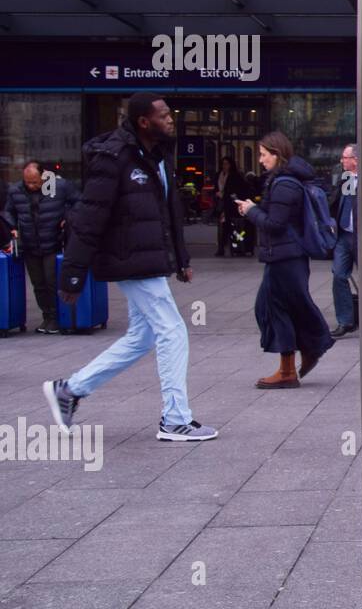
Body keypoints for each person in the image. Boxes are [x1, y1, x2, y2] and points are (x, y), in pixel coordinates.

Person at [42, 93, 217, 442]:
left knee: (143, 336)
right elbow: (89, 216)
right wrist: (73, 274)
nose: (171, 120)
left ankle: (70, 390)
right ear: (143, 121)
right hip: (128, 259)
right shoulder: (114, 157)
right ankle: (174, 419)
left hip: (148, 259)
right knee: (172, 330)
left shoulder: (157, 155)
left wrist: (180, 260)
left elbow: (169, 212)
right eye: (164, 115)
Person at [236, 131, 335, 388]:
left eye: (263, 154)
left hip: (286, 256)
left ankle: (296, 362)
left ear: (276, 154)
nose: (260, 160)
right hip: (284, 256)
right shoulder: (283, 181)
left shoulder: (285, 184)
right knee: (280, 308)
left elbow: (275, 224)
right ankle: (297, 359)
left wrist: (251, 211)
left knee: (279, 309)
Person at [3, 160, 79, 334]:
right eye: (27, 182)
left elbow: (79, 202)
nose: (31, 186)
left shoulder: (59, 186)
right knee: (38, 284)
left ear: (43, 177)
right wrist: (13, 227)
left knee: (52, 281)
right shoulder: (16, 190)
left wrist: (68, 218)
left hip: (53, 243)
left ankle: (55, 318)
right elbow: (8, 211)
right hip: (30, 245)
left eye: (35, 182)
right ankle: (47, 317)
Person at [327, 143, 359, 337]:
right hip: (344, 235)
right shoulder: (345, 178)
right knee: (339, 275)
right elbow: (339, 202)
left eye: (345, 157)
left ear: (356, 159)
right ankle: (345, 320)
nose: (342, 161)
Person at [214, 156, 250, 257]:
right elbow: (216, 188)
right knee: (221, 227)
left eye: (226, 164)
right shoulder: (218, 175)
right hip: (221, 205)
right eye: (223, 164)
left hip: (230, 206)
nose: (224, 166)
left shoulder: (235, 176)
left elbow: (237, 190)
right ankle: (221, 248)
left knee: (233, 228)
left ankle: (236, 247)